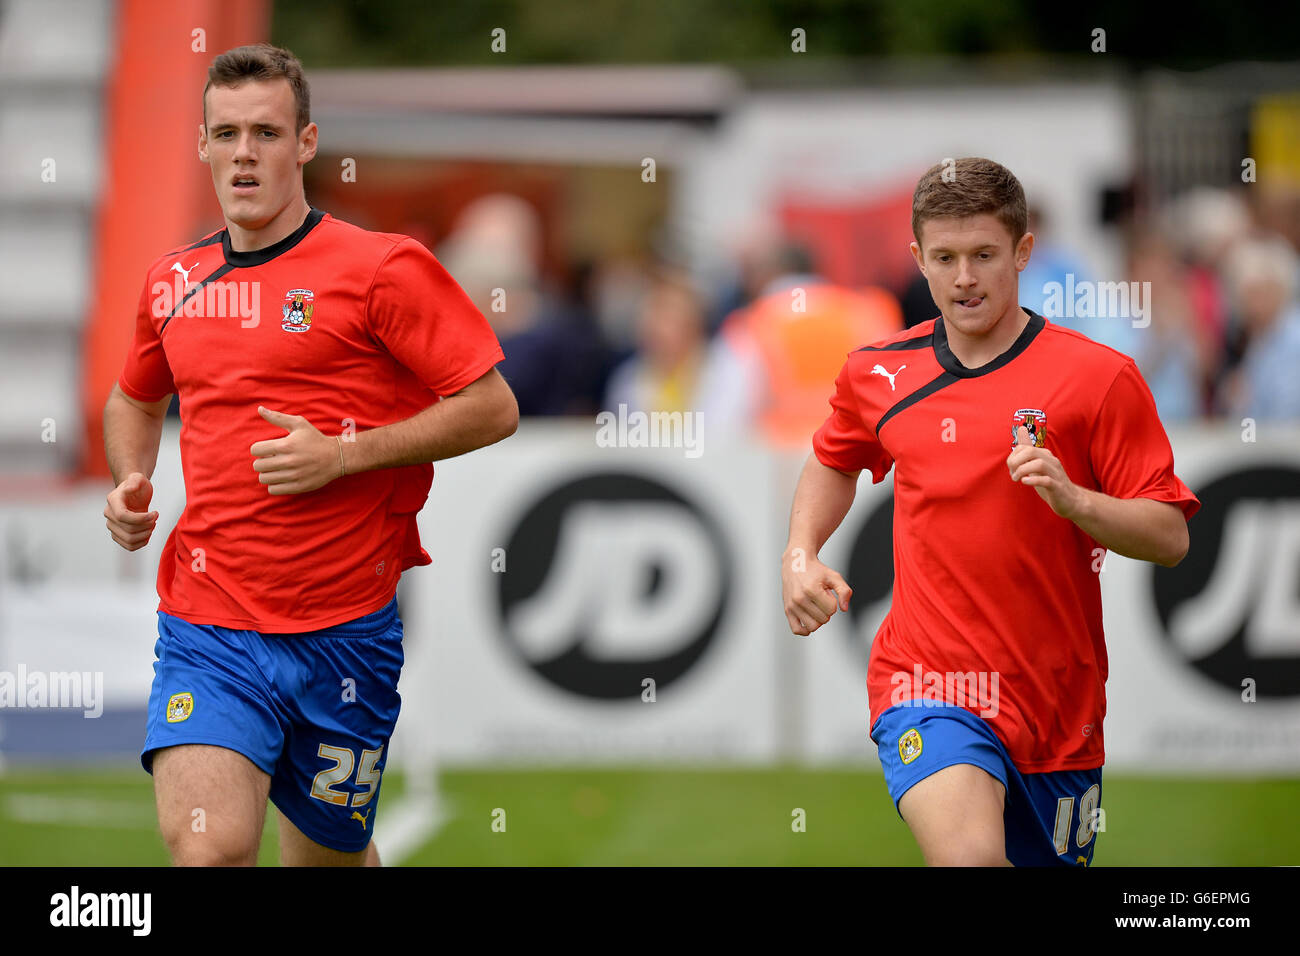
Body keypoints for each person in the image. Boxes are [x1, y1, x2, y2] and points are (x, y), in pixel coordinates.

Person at [101, 44, 518, 866]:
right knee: (209, 850)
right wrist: (131, 479)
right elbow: (134, 398)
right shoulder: (171, 282)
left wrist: (344, 454)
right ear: (203, 146)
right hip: (209, 622)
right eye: (225, 134)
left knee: (323, 862)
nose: (244, 153)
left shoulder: (381, 270)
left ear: (306, 142)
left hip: (346, 634)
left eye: (265, 131)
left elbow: (492, 407)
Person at [780, 157, 1200, 866]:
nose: (964, 278)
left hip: (1057, 708)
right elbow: (833, 457)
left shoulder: (1097, 378)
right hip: (927, 683)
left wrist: (1075, 500)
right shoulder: (880, 372)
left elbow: (1170, 537)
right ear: (918, 258)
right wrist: (799, 553)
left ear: (1023, 252)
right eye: (944, 258)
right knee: (970, 860)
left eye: (983, 256)